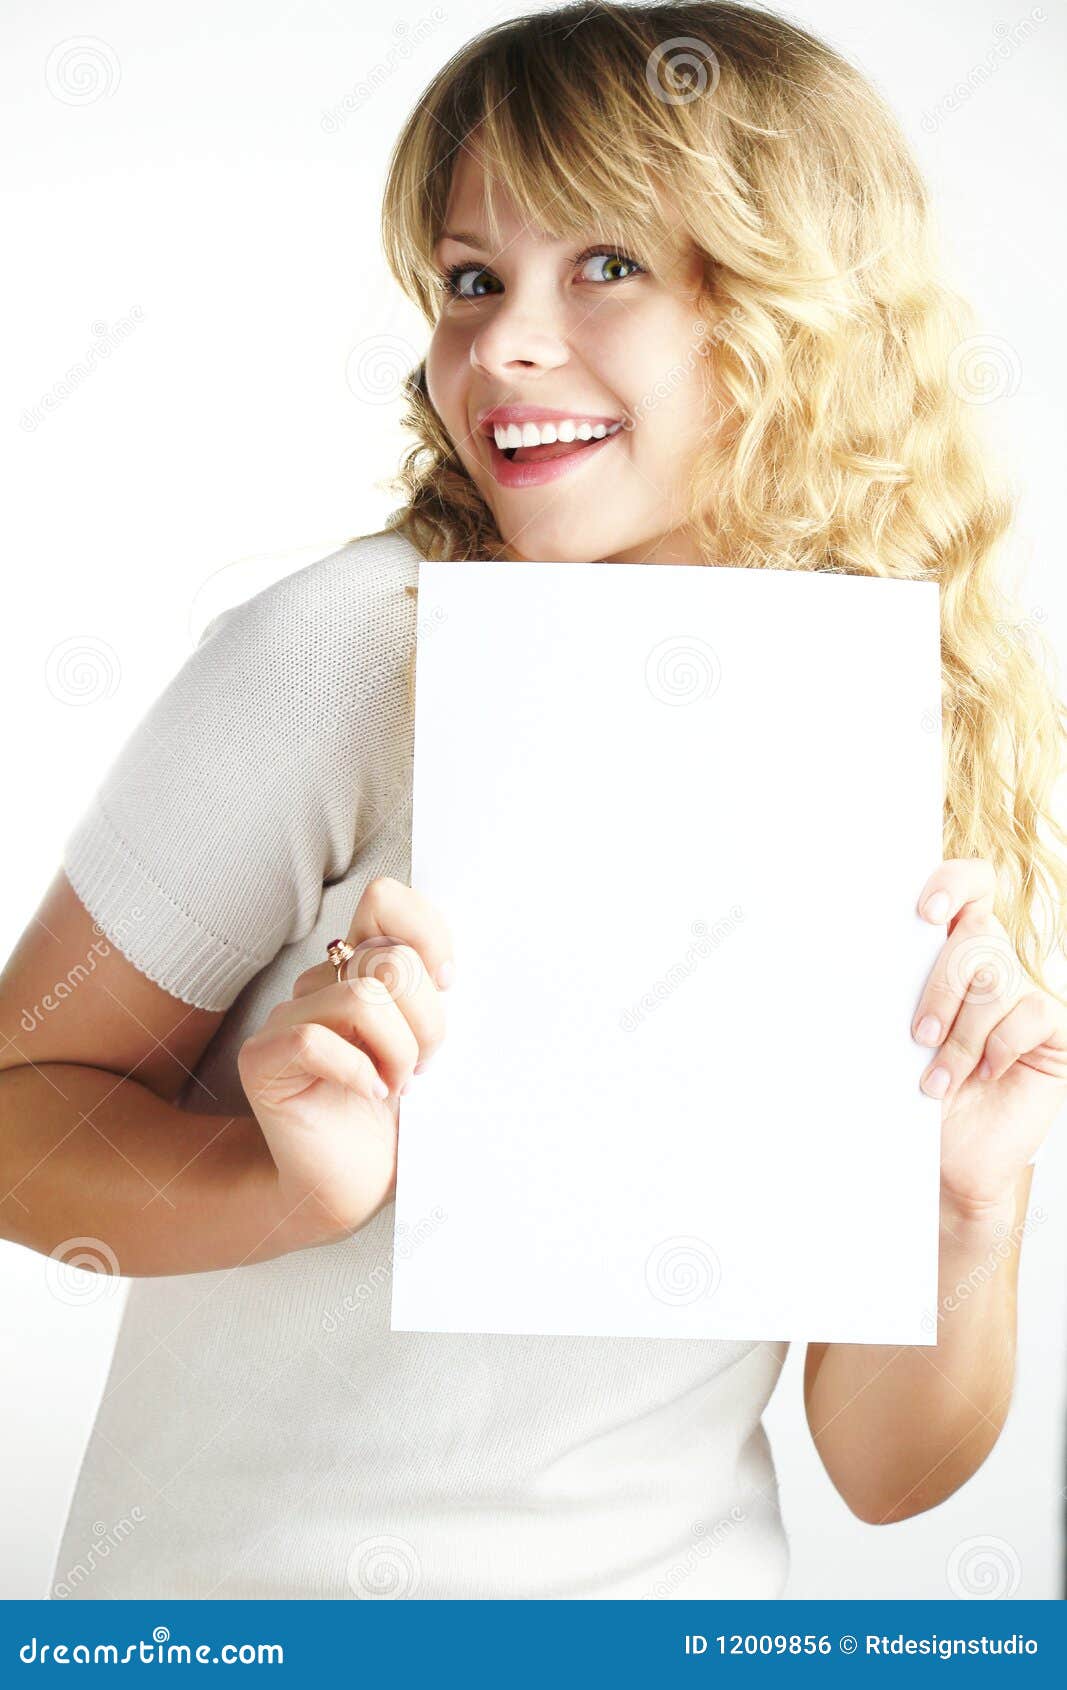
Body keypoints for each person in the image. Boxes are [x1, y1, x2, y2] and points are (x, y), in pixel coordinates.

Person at [2, 0, 1065, 1601]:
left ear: (802, 307)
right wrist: (278, 1186)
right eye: (471, 278)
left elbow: (883, 1468)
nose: (498, 345)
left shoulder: (904, 721)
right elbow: (22, 1109)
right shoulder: (356, 647)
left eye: (608, 267)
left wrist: (972, 1211)